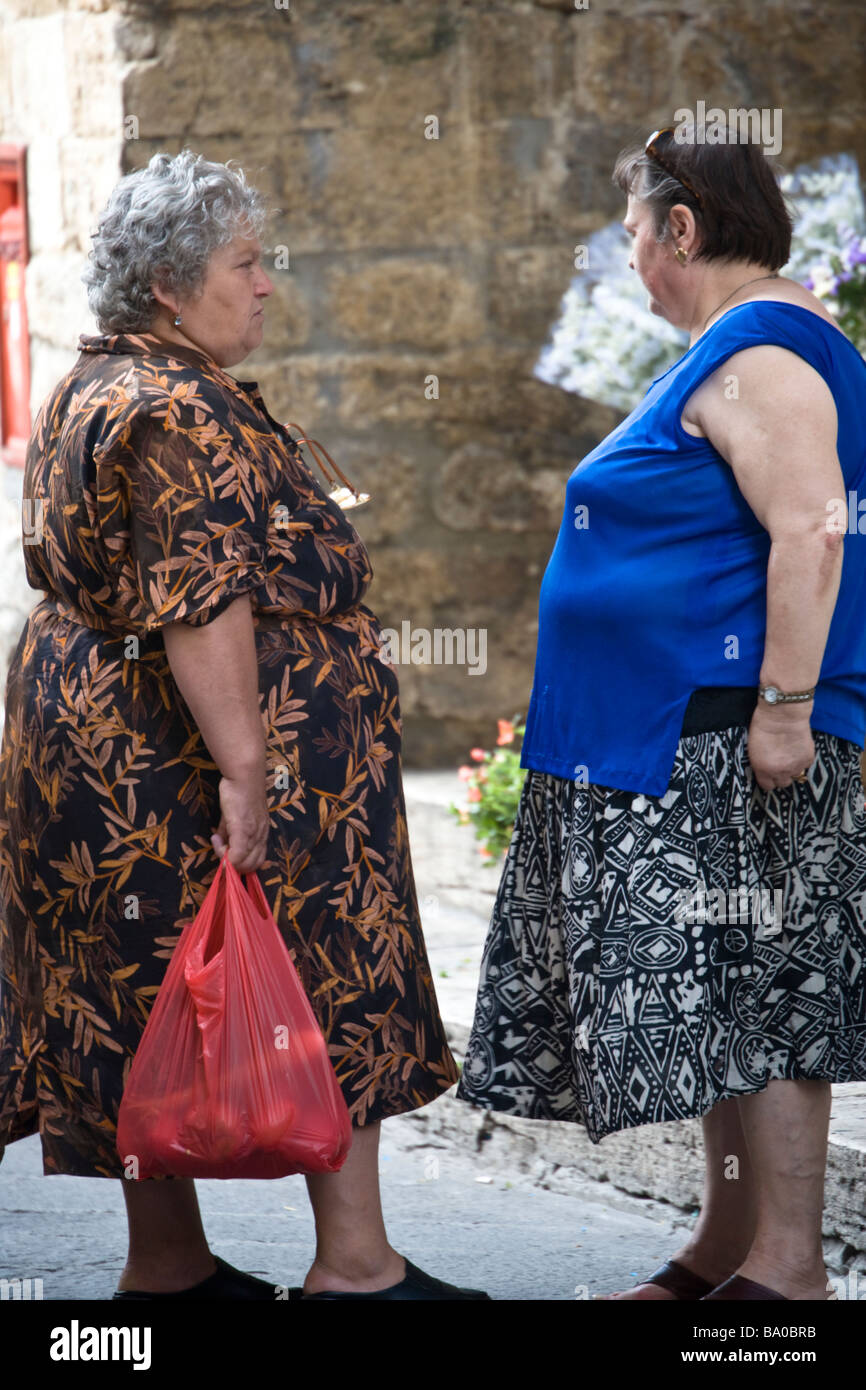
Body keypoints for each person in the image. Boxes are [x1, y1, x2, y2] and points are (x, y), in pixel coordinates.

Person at [0, 148, 489, 1302]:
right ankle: (355, 1268)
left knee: (136, 982)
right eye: (246, 263)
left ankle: (167, 1267)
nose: (267, 283)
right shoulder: (175, 407)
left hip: (97, 746)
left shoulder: (99, 379)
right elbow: (201, 596)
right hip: (173, 756)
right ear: (171, 286)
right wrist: (247, 771)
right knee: (319, 967)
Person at [455, 121, 866, 1301]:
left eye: (632, 234)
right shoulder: (739, 347)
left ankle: (784, 1276)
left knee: (770, 995)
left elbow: (811, 529)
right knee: (730, 1003)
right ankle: (724, 1251)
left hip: (733, 736)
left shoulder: (764, 353)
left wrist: (782, 713)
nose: (627, 259)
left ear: (682, 229)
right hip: (686, 736)